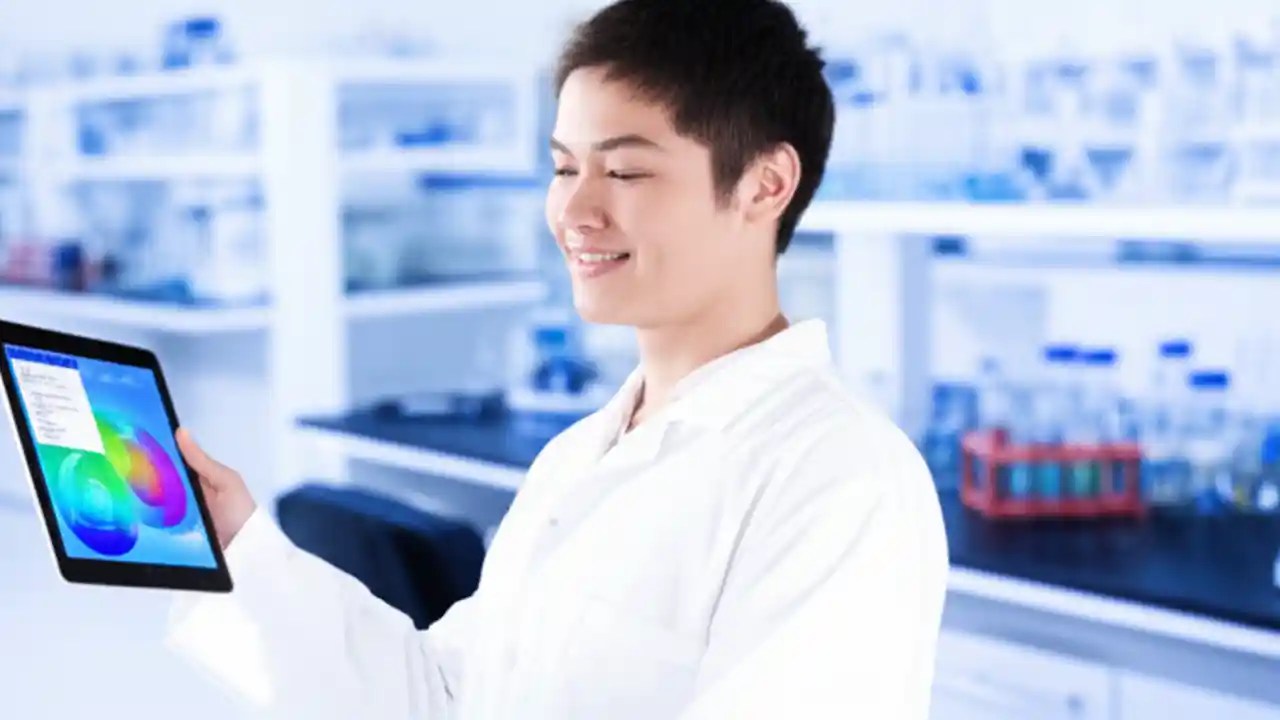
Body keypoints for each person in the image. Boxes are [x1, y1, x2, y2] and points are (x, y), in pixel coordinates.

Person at [166, 1, 949, 718]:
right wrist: (237, 547)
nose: (574, 211)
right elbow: (444, 696)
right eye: (565, 167)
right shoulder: (578, 459)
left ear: (764, 184)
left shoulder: (841, 479)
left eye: (626, 170)